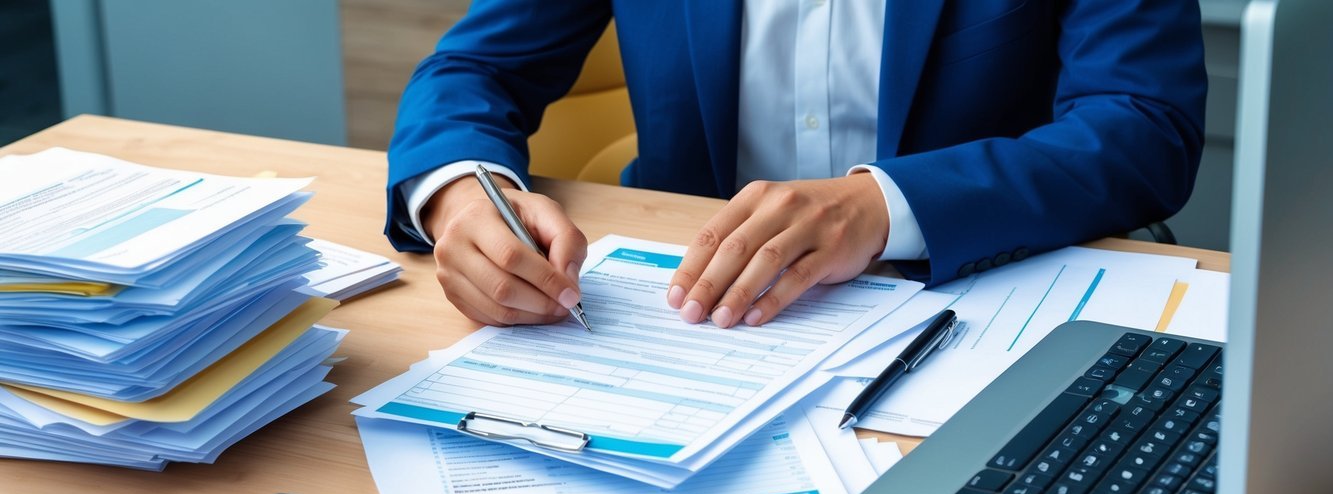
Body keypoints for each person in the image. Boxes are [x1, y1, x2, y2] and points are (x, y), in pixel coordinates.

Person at [385, 1, 1206, 329]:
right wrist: (460, 193)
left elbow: (1143, 126)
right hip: (691, 320)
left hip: (984, 300)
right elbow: (475, 68)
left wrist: (883, 206)